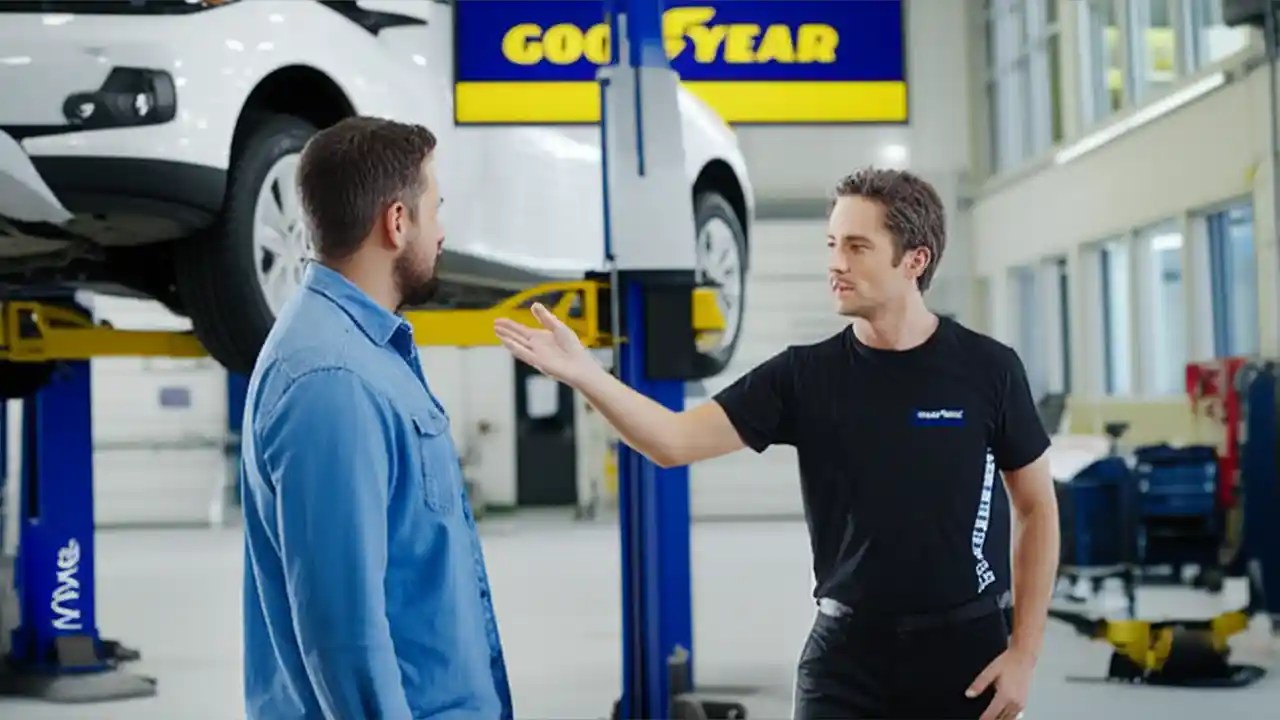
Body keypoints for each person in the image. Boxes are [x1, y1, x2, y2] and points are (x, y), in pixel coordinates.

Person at [493, 167, 1059, 720]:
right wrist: (587, 375)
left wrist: (1024, 654)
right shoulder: (803, 377)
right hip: (846, 659)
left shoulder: (988, 370)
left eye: (857, 247)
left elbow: (1036, 507)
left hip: (964, 656)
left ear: (915, 260)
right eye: (832, 244)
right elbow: (671, 441)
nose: (836, 263)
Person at [239, 116, 512, 720]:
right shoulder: (332, 380)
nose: (442, 232)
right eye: (435, 210)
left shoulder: (362, 352)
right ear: (396, 222)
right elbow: (344, 634)